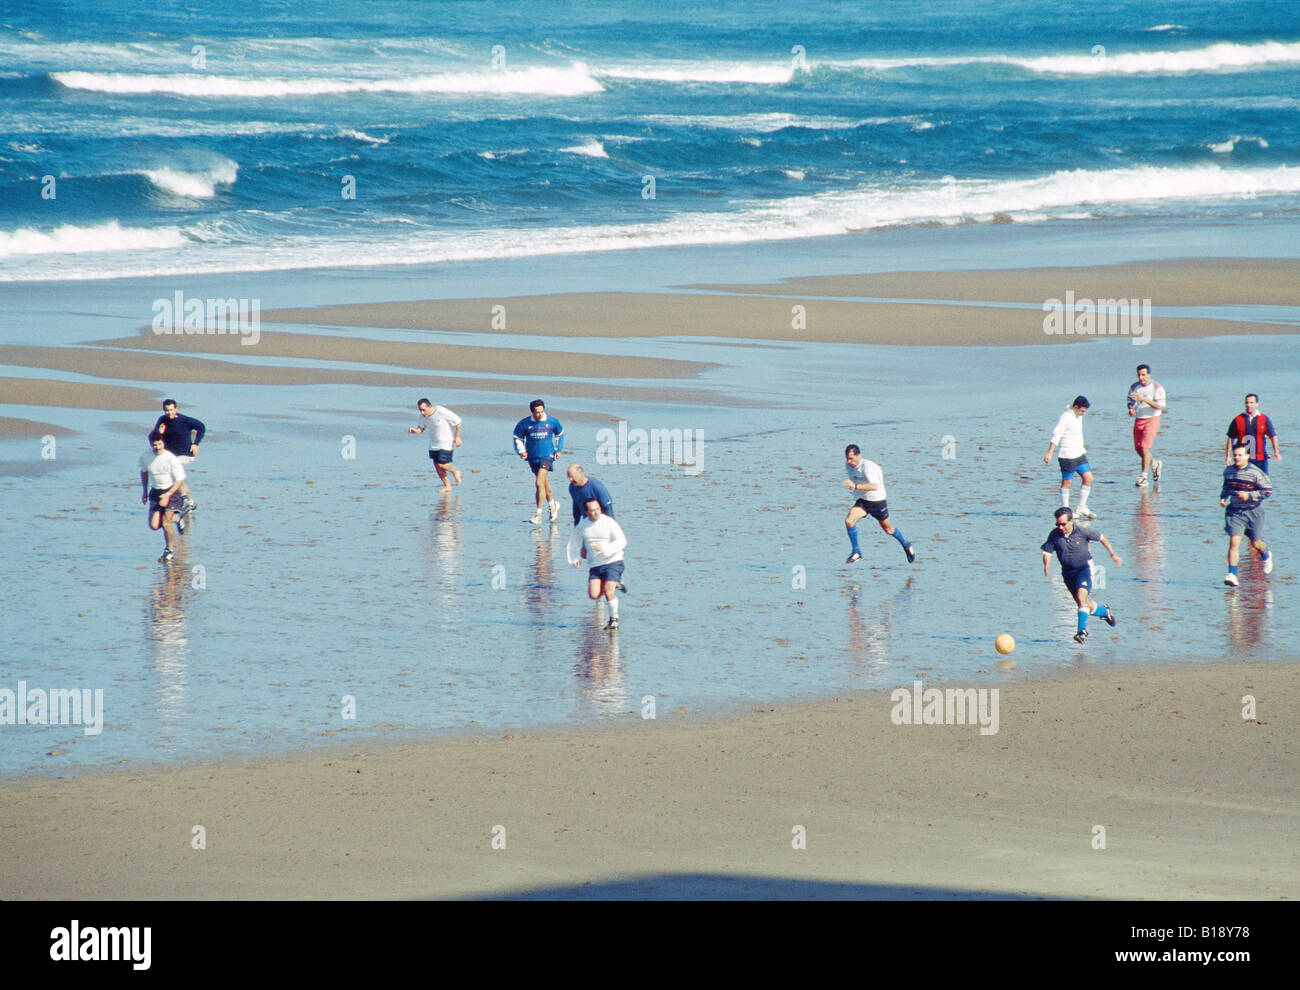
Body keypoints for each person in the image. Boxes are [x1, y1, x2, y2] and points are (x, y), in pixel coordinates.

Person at [1041, 506, 1122, 644]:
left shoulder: (1082, 532)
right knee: (1082, 603)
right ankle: (1104, 612)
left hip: (1084, 569)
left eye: (1063, 524)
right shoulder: (1054, 535)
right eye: (1058, 524)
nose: (1060, 527)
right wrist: (1046, 564)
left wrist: (1113, 554)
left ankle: (1081, 632)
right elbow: (1047, 552)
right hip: (1067, 573)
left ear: (1071, 520)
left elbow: (1102, 538)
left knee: (1081, 597)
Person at [842, 444, 916, 565]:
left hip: (877, 501)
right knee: (849, 521)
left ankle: (906, 545)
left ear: (858, 455)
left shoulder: (867, 467)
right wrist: (854, 487)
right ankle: (857, 552)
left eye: (852, 458)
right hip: (863, 501)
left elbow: (874, 486)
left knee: (888, 529)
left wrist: (855, 486)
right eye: (847, 459)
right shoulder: (848, 466)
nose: (849, 461)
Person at [566, 498, 628, 630]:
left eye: (597, 509)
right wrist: (574, 558)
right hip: (595, 565)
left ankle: (614, 621)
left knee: (608, 591)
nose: (596, 513)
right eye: (592, 510)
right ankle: (614, 583)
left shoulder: (608, 522)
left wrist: (605, 549)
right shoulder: (583, 524)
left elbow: (622, 541)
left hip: (613, 561)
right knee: (593, 595)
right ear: (586, 512)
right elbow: (574, 541)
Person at [1220, 441, 1273, 587]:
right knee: (1234, 541)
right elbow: (1227, 486)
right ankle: (1232, 574)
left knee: (1255, 543)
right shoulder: (1228, 471)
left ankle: (1266, 555)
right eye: (1235, 455)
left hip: (1253, 511)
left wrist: (1249, 496)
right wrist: (1223, 497)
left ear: (1247, 456)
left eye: (1240, 455)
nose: (1237, 458)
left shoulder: (1255, 473)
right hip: (1235, 512)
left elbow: (1268, 491)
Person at [513, 399, 564, 525]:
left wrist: (558, 450)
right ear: (532, 412)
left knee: (539, 482)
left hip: (547, 456)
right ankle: (552, 505)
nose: (539, 414)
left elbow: (560, 434)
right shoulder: (525, 424)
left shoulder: (552, 421)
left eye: (541, 411)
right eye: (537, 412)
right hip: (533, 457)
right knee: (544, 483)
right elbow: (517, 438)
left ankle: (538, 514)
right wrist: (521, 451)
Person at [1044, 395, 1096, 518]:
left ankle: (1081, 507)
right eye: (1082, 411)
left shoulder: (1079, 417)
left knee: (1088, 478)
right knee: (1067, 482)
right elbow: (1056, 435)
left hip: (1079, 453)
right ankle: (1066, 510)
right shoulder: (1065, 417)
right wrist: (1049, 453)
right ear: (1075, 407)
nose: (1083, 414)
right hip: (1067, 455)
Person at [140, 431, 187, 561]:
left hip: (171, 490)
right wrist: (145, 491)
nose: (157, 447)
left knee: (166, 522)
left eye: (160, 444)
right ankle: (177, 519)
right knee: (154, 525)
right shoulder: (145, 457)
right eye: (155, 445)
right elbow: (144, 472)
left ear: (163, 443)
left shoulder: (170, 458)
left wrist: (167, 495)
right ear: (151, 444)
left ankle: (169, 551)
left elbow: (180, 480)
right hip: (155, 491)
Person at [153, 399, 204, 510]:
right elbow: (154, 438)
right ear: (164, 410)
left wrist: (196, 443)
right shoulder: (162, 420)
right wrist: (159, 433)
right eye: (167, 410)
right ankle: (189, 502)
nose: (169, 413)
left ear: (176, 409)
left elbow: (201, 427)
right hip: (170, 456)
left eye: (172, 410)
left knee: (175, 474)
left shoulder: (184, 420)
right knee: (175, 476)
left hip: (185, 454)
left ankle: (186, 500)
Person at [408, 398, 462, 492]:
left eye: (424, 409)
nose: (422, 412)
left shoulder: (441, 411)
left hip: (446, 441)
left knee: (442, 463)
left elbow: (458, 422)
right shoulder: (423, 416)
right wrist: (414, 431)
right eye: (420, 410)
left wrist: (457, 437)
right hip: (433, 443)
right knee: (437, 465)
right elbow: (421, 429)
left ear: (430, 406)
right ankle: (447, 486)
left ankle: (455, 471)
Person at [1127, 364, 1166, 487]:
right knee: (1138, 449)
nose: (1141, 377)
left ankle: (1144, 477)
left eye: (1143, 374)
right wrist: (1131, 409)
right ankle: (1154, 463)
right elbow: (1130, 401)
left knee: (1145, 447)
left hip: (1152, 418)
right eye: (1139, 374)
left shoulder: (1156, 387)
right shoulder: (1134, 387)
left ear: (1149, 374)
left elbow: (1160, 406)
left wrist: (1143, 399)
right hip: (1139, 419)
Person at [1225, 393, 1280, 475]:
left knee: (1263, 484)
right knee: (1244, 483)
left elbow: (1273, 436)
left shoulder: (1264, 419)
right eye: (1247, 403)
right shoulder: (1238, 419)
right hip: (1244, 460)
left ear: (1257, 404)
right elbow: (1230, 438)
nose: (1248, 405)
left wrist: (1276, 452)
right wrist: (1228, 456)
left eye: (1251, 403)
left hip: (1260, 459)